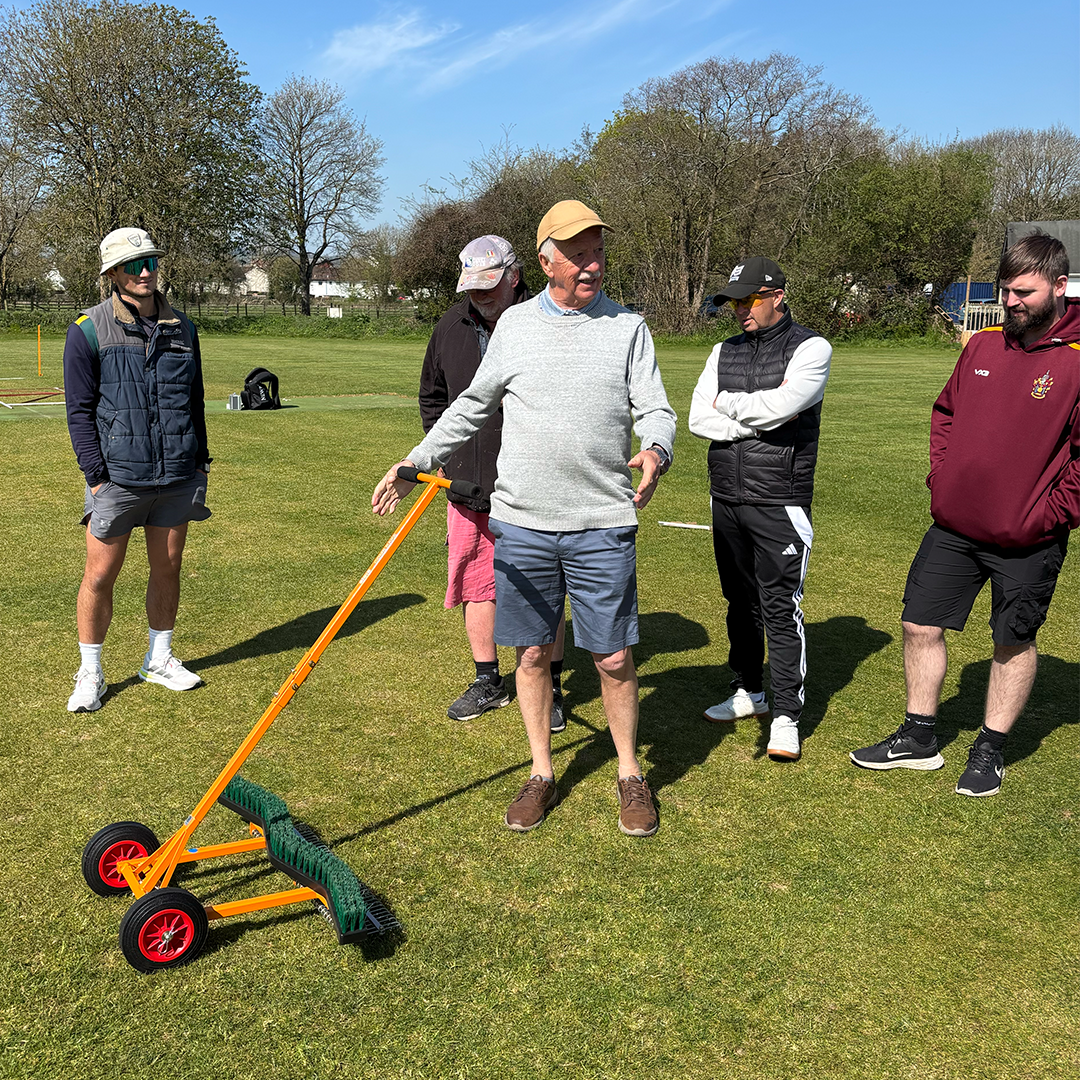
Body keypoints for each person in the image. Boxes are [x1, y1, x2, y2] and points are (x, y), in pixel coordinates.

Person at [374, 200, 676, 837]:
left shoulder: (628, 328)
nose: (592, 264)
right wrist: (414, 462)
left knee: (613, 658)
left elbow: (655, 408)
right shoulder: (514, 326)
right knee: (532, 653)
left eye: (598, 251)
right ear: (545, 261)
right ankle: (541, 772)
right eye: (578, 254)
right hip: (523, 524)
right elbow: (470, 406)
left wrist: (655, 449)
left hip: (601, 521)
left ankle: (630, 773)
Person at [850, 233, 1080, 796]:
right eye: (1005, 291)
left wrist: (1047, 514)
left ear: (1059, 286)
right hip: (954, 526)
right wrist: (943, 478)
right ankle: (918, 736)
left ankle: (989, 749)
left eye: (1023, 292)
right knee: (918, 624)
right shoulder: (982, 346)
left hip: (1028, 539)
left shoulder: (1076, 360)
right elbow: (945, 414)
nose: (1010, 302)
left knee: (1011, 641)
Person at [419, 235, 567, 731]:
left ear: (515, 275)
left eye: (489, 284)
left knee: (543, 585)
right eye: (473, 287)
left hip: (535, 484)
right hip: (467, 482)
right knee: (475, 581)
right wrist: (443, 453)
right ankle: (488, 680)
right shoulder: (449, 326)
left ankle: (552, 685)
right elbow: (433, 397)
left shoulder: (547, 321)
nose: (480, 295)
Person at [688, 257, 832, 762]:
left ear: (777, 295)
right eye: (734, 301)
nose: (740, 309)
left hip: (780, 500)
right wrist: (750, 416)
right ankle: (749, 690)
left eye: (749, 299)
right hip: (726, 496)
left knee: (779, 606)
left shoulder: (812, 347)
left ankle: (787, 715)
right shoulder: (722, 350)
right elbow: (697, 417)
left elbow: (784, 407)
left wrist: (728, 404)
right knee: (739, 601)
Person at [63, 227, 210, 712]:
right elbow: (79, 412)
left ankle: (158, 658)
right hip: (117, 480)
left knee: (168, 568)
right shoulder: (87, 329)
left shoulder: (184, 328)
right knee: (100, 576)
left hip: (177, 476)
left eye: (150, 262)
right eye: (133, 265)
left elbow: (194, 401)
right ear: (112, 273)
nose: (145, 272)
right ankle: (91, 671)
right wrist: (96, 476)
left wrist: (199, 462)